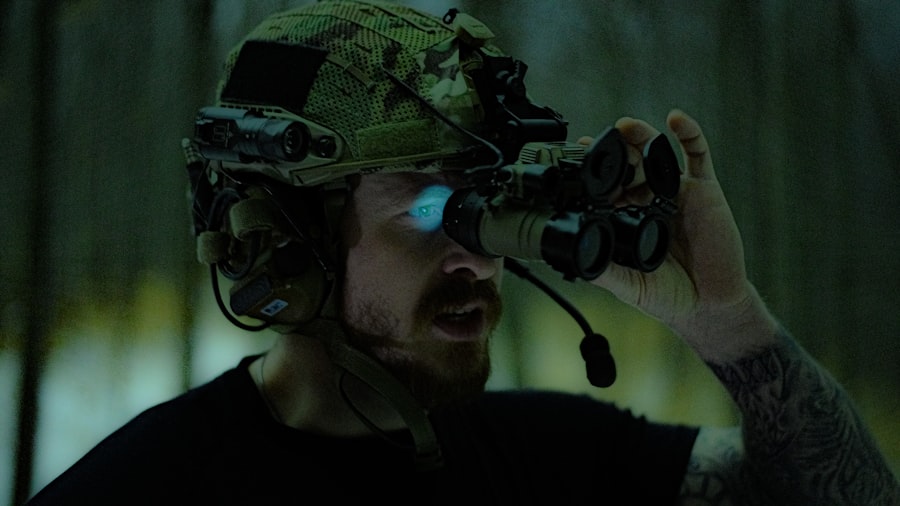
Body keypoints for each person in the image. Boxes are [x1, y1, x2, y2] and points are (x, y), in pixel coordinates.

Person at [27, 1, 899, 504]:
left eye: (489, 209)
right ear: (285, 230)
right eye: (431, 205)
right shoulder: (146, 487)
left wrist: (726, 317)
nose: (478, 261)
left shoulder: (549, 460)